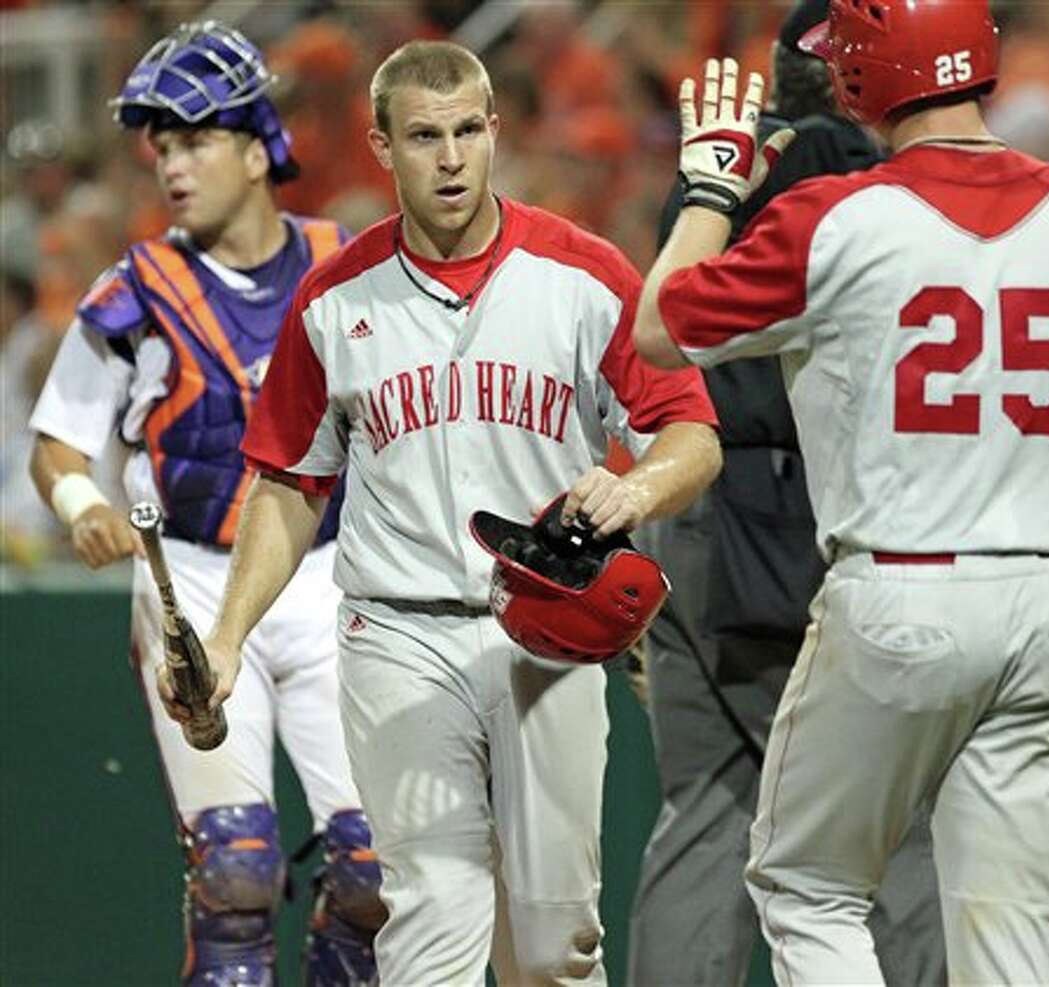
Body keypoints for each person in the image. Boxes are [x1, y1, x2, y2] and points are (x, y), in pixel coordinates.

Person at [632, 1, 1049, 983]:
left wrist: (710, 188)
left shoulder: (836, 215)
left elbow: (658, 328)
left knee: (807, 888)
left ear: (863, 74)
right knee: (1012, 930)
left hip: (902, 590)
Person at [159, 39, 721, 985]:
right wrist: (226, 636)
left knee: (554, 945)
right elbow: (289, 482)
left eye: (468, 131)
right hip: (398, 633)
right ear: (382, 147)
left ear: (496, 130)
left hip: (549, 633)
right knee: (431, 919)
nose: (452, 158)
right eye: (425, 137)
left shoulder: (583, 273)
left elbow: (692, 432)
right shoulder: (334, 297)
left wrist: (637, 487)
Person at [28, 21, 384, 986]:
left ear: (257, 147)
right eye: (164, 148)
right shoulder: (136, 290)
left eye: (195, 141)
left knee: (374, 873)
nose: (173, 166)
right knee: (237, 871)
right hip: (189, 581)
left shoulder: (346, 267)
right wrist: (80, 502)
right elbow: (58, 440)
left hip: (332, 580)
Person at [626, 4, 947, 985]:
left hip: (691, 509)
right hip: (803, 531)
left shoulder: (720, 170)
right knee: (893, 825)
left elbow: (661, 331)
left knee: (710, 812)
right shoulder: (857, 174)